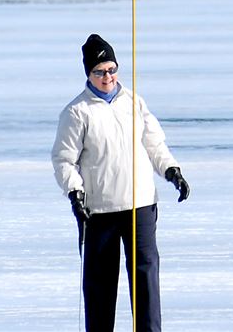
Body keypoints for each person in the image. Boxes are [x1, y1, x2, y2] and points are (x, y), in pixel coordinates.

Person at [51, 33, 190, 332]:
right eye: (100, 72)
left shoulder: (133, 102)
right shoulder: (77, 112)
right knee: (100, 288)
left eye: (112, 70)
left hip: (140, 205)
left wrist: (171, 170)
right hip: (100, 211)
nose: (107, 77)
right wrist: (74, 192)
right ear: (89, 73)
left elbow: (154, 144)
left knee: (146, 281)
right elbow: (64, 160)